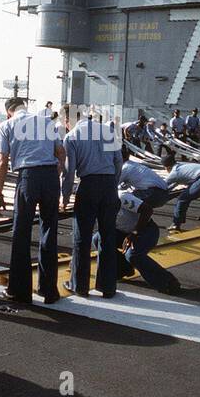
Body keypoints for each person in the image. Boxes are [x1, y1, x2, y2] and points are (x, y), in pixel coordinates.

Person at [0, 96, 64, 304]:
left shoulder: (7, 125)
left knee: (21, 234)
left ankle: (19, 291)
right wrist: (55, 175)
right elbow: (61, 153)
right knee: (49, 232)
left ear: (8, 111)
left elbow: (2, 160)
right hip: (50, 177)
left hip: (28, 178)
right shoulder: (47, 122)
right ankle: (49, 290)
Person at [60, 110, 124, 298]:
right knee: (108, 236)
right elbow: (119, 162)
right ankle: (107, 287)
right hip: (109, 184)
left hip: (88, 184)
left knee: (82, 237)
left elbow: (69, 172)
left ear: (68, 120)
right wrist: (113, 183)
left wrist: (65, 197)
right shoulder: (107, 131)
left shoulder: (71, 137)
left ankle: (79, 285)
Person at [102, 187, 180, 295]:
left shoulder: (122, 197)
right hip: (122, 231)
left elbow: (147, 210)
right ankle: (124, 268)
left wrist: (135, 233)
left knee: (133, 255)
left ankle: (167, 281)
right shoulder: (97, 203)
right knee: (99, 240)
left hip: (145, 230)